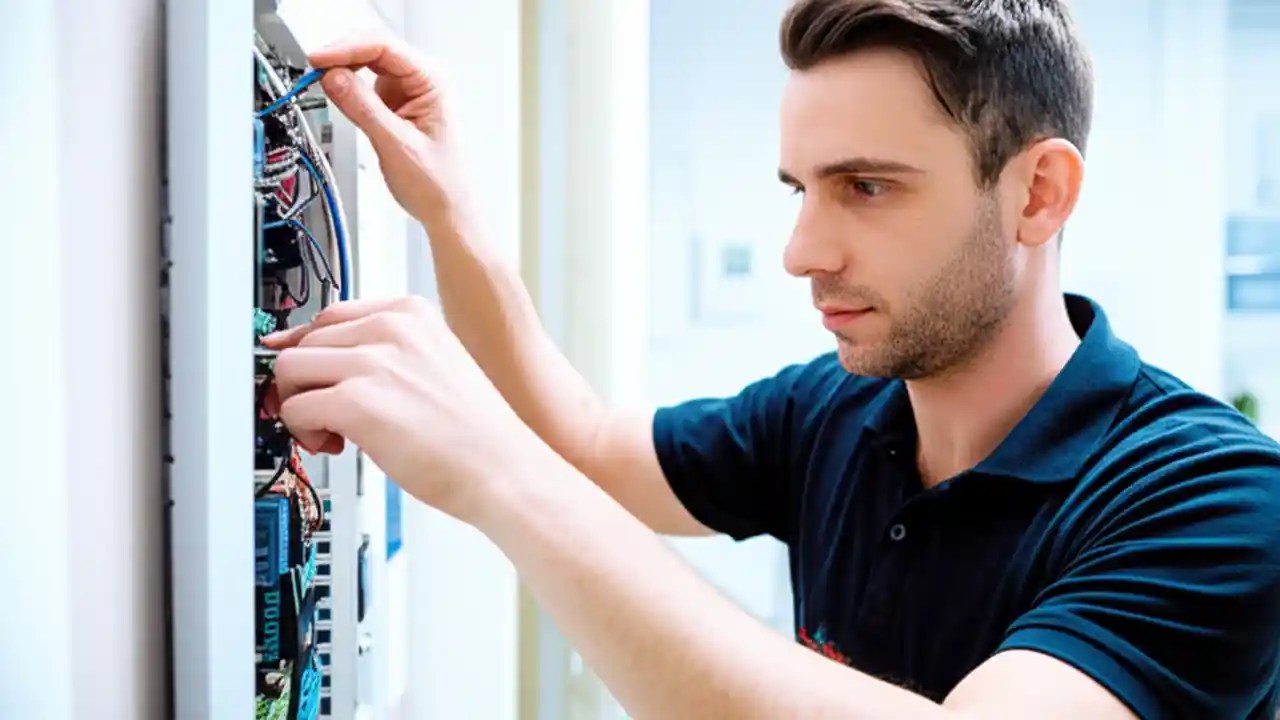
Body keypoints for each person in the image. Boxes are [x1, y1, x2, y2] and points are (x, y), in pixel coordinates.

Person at [263, 0, 1280, 717]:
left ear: (1037, 194)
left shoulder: (1215, 500)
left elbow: (540, 466)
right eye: (800, 188)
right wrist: (449, 208)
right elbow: (579, 443)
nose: (802, 252)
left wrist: (497, 475)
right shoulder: (834, 411)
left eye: (866, 188)